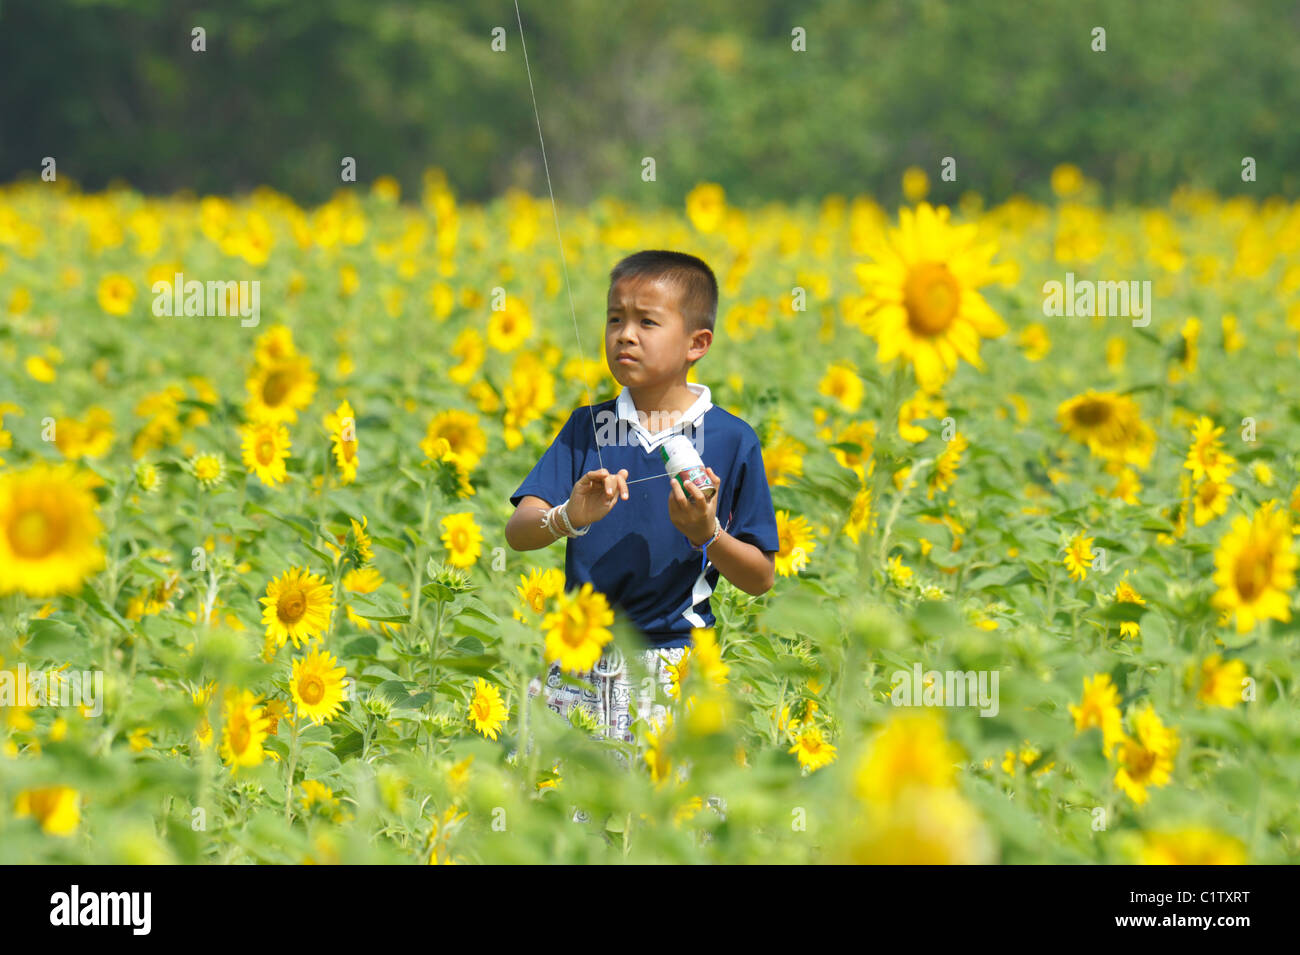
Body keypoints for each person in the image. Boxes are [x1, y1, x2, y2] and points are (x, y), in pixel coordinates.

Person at [506, 249, 779, 760]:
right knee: (562, 813)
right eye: (615, 318)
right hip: (580, 655)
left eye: (646, 322)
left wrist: (707, 533)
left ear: (697, 343)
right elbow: (518, 530)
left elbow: (759, 577)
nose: (624, 335)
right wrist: (567, 517)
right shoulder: (586, 428)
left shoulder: (731, 439)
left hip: (675, 666)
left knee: (669, 821)